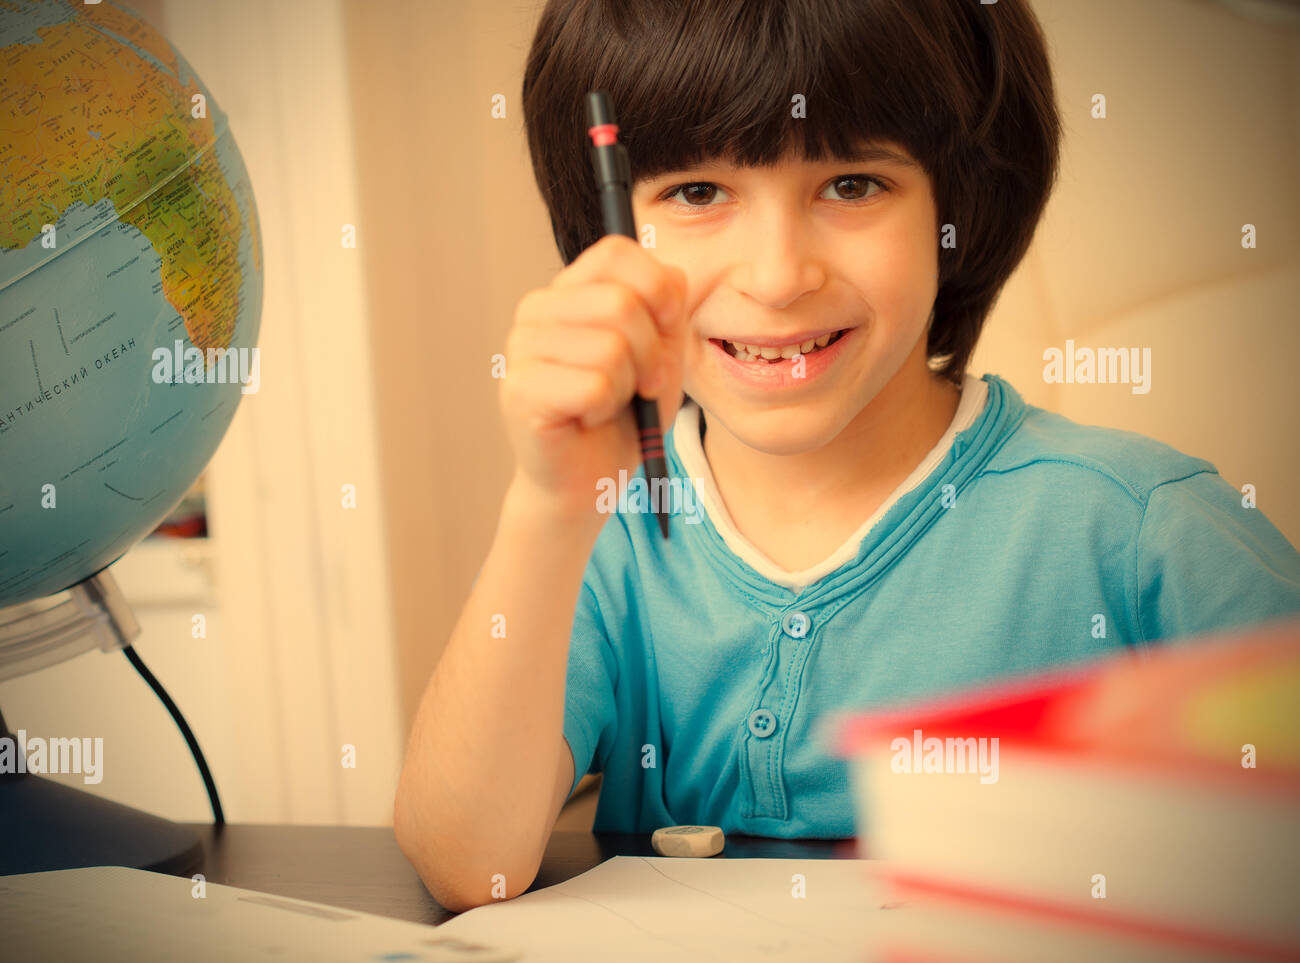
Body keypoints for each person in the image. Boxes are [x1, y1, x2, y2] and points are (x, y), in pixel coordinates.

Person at [394, 0, 1300, 911]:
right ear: (609, 234)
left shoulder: (1139, 528)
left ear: (960, 207)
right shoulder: (602, 535)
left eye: (854, 185)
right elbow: (472, 863)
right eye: (698, 193)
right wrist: (547, 507)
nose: (780, 274)